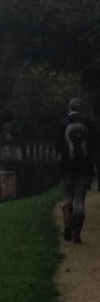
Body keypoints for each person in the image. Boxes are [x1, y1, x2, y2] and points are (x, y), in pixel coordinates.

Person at [56, 98, 97, 243]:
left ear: (69, 108)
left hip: (67, 165)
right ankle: (76, 234)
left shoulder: (63, 124)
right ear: (82, 109)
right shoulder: (88, 124)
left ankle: (67, 224)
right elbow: (94, 146)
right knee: (80, 200)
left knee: (67, 196)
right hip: (84, 167)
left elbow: (58, 146)